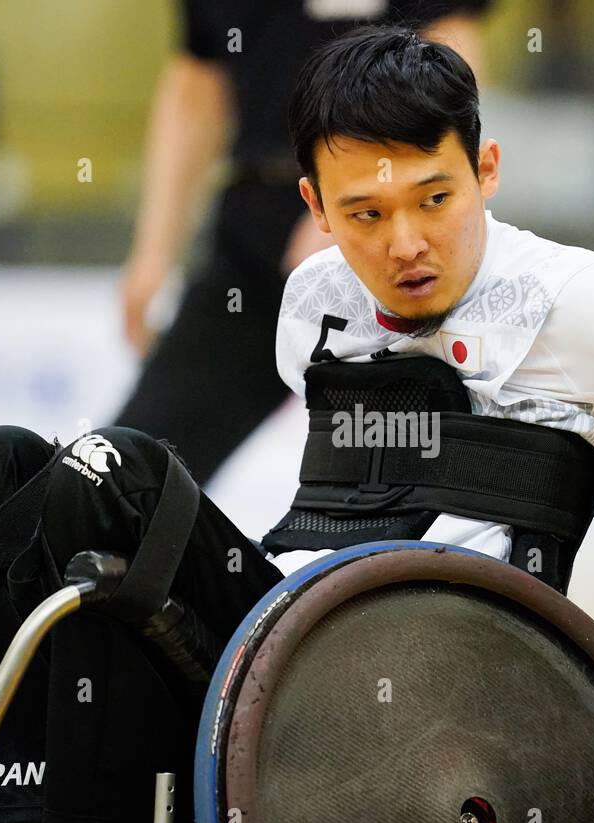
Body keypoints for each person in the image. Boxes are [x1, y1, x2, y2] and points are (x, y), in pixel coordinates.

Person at [0, 25, 594, 823]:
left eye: (436, 198)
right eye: (364, 214)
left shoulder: (571, 303)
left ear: (487, 169)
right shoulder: (313, 304)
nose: (406, 243)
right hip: (288, 641)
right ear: (314, 205)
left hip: (446, 697)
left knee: (114, 469)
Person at [113, 1, 490, 486]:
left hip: (391, 240)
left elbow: (448, 49)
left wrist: (351, 212)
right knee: (135, 467)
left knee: (396, 483)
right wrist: (154, 251)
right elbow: (198, 82)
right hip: (252, 233)